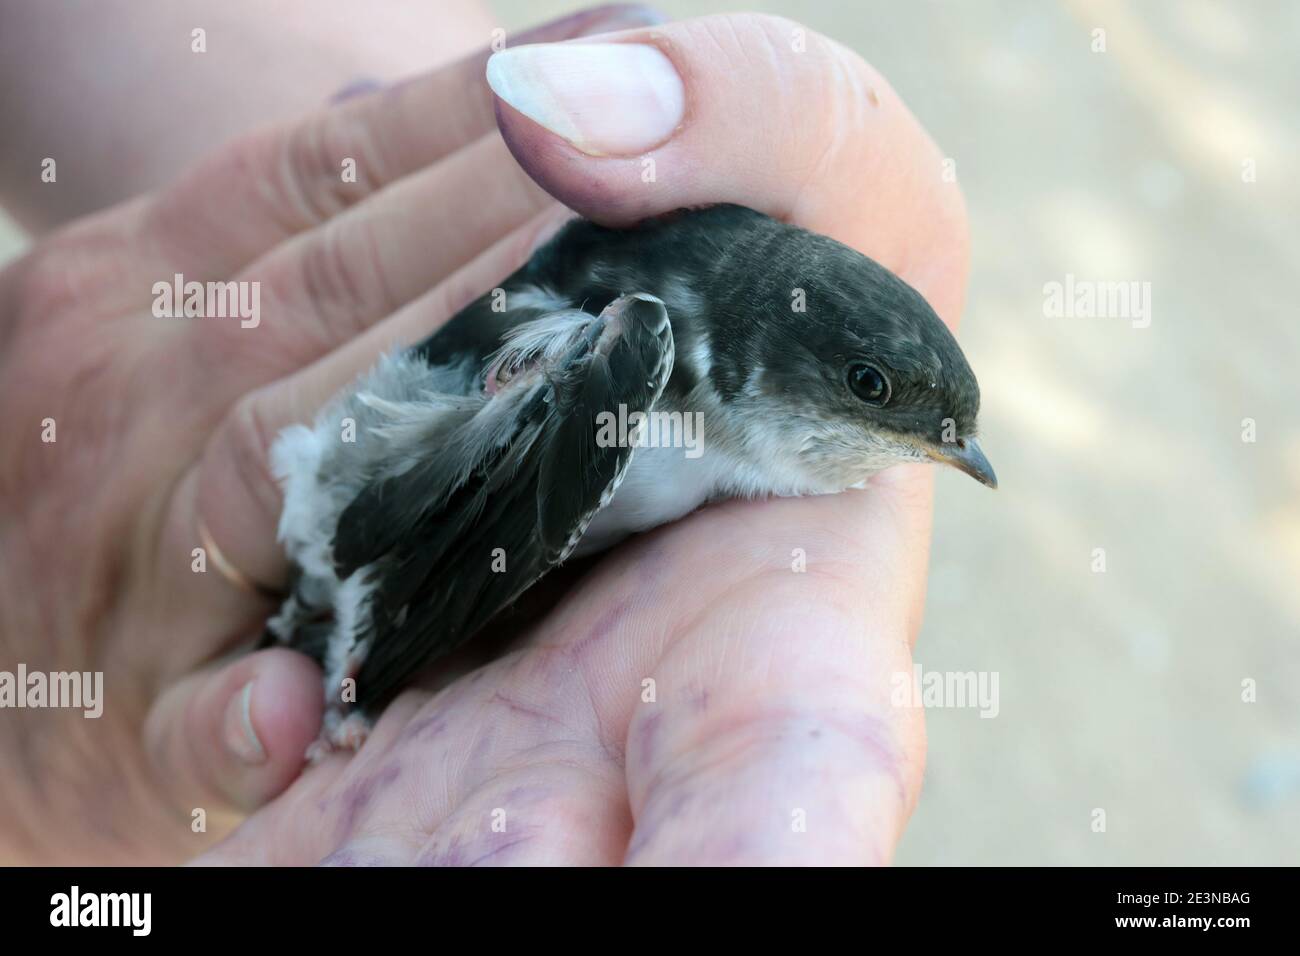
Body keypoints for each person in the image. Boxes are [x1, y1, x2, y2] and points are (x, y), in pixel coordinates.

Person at [0, 2, 968, 865]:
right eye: (871, 391)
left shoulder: (722, 318)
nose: (923, 449)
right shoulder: (639, 355)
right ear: (768, 359)